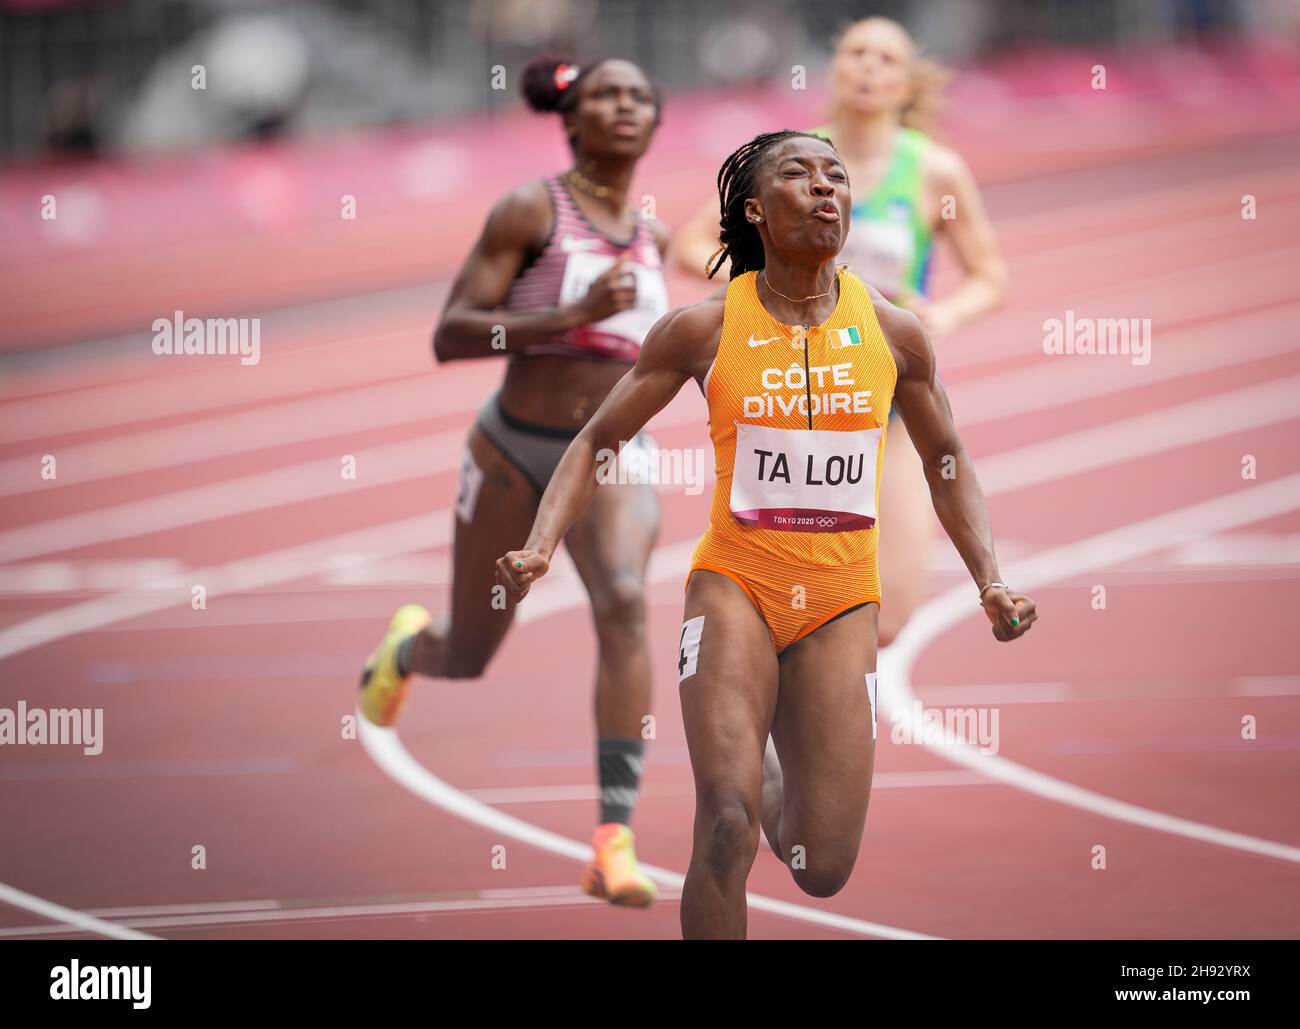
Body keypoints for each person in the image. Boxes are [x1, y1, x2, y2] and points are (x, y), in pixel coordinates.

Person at [496, 130, 1036, 939]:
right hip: (734, 588)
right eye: (799, 176)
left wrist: (989, 577)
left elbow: (947, 459)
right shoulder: (701, 329)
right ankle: (742, 772)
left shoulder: (896, 333)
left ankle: (767, 765)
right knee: (724, 823)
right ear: (754, 209)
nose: (826, 190)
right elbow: (596, 440)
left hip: (841, 601)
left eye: (837, 177)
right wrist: (542, 543)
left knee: (821, 865)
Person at [359, 54, 671, 908]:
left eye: (640, 95)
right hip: (511, 453)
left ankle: (613, 838)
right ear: (570, 116)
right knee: (470, 653)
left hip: (605, 458)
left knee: (625, 601)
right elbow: (451, 334)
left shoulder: (655, 236)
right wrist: (565, 318)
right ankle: (407, 648)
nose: (624, 106)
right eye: (607, 93)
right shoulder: (534, 209)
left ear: (655, 120)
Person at [675, 16, 1007, 647]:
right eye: (856, 53)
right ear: (835, 67)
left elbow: (990, 277)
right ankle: (779, 712)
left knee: (892, 605)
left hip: (882, 403)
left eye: (885, 58)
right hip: (789, 392)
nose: (867, 67)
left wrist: (941, 315)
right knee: (772, 583)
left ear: (906, 81)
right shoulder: (788, 159)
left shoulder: (935, 172)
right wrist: (757, 283)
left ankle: (814, 708)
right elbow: (694, 244)